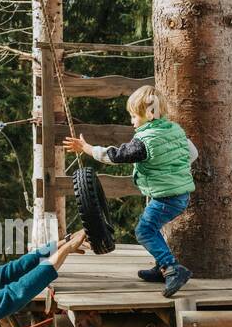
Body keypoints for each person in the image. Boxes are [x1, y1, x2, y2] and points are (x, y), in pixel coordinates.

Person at [62, 84, 197, 297]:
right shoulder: (176, 130)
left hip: (167, 198)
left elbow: (115, 156)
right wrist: (172, 170)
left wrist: (86, 149)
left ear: (150, 114)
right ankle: (161, 266)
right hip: (180, 194)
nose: (132, 121)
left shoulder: (144, 141)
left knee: (144, 231)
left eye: (134, 116)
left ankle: (172, 268)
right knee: (154, 227)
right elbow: (193, 153)